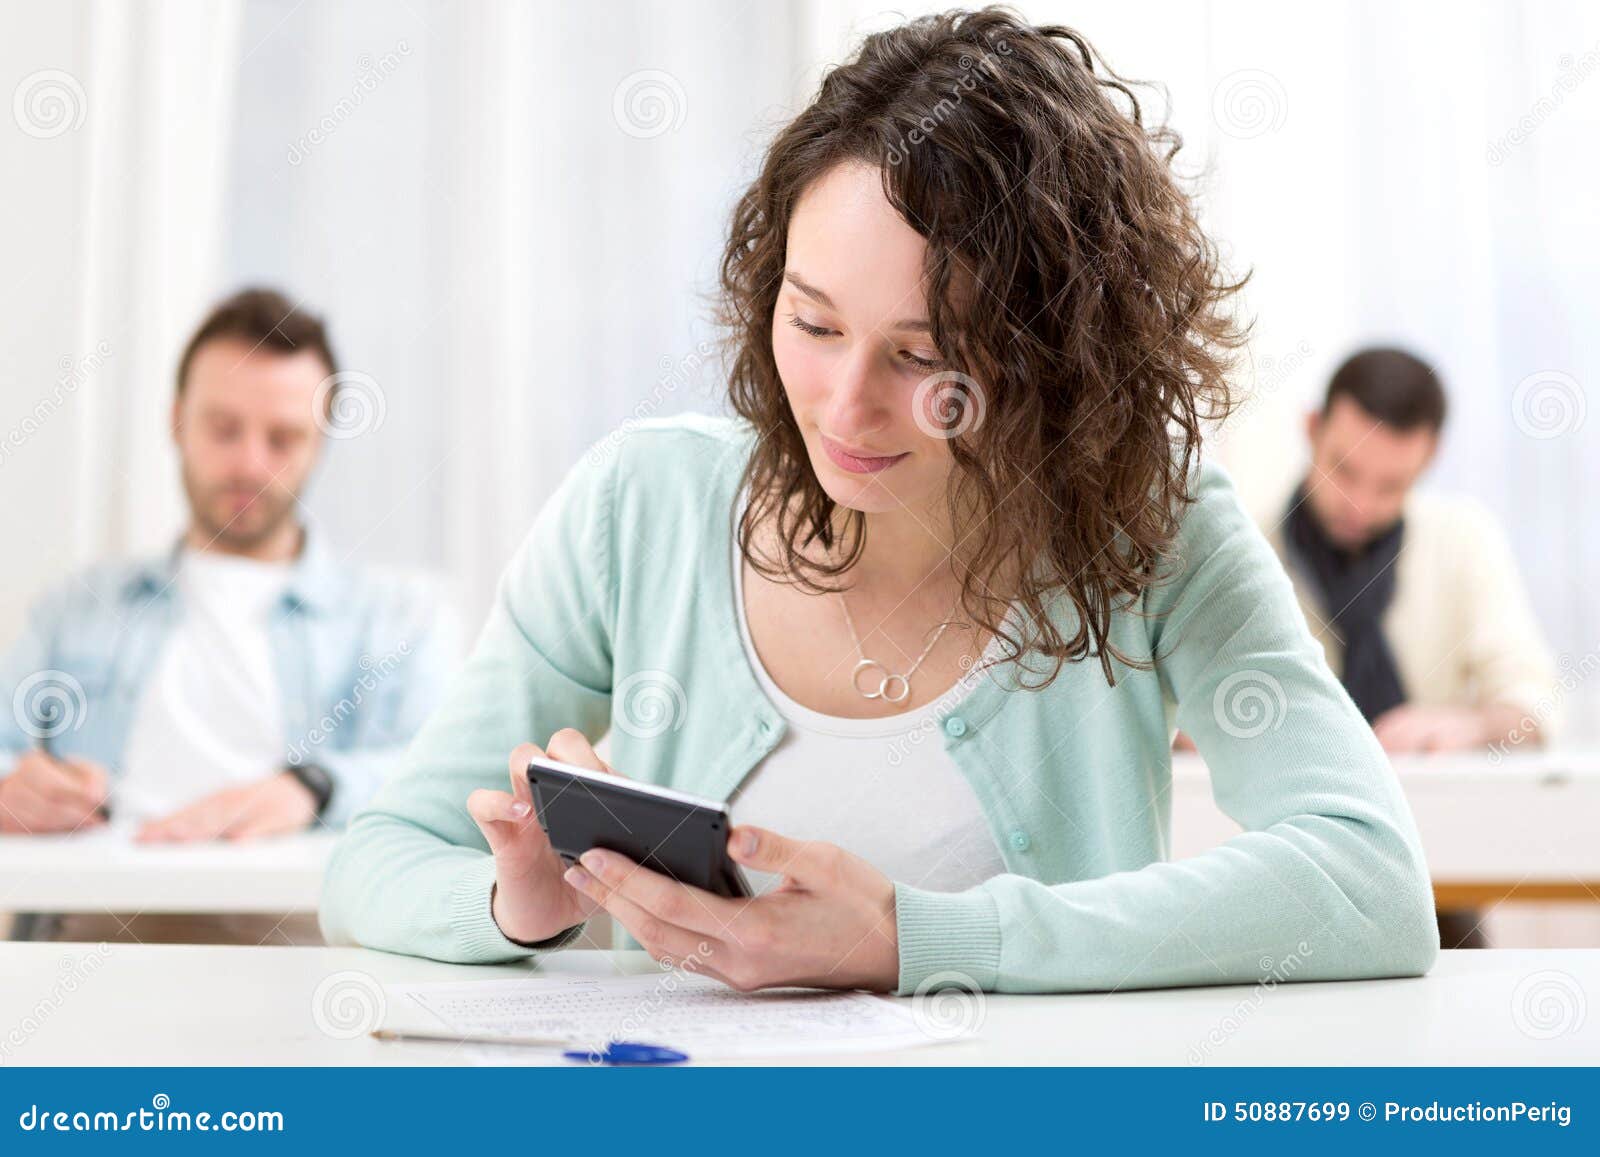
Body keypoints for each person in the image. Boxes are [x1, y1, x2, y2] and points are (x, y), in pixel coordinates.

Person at [321, 8, 1438, 993]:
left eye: (925, 355)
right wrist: (525, 904)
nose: (845, 409)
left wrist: (919, 938)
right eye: (813, 324)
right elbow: (381, 858)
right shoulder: (640, 506)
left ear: (1056, 356)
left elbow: (1367, 877)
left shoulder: (1155, 524)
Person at [0, 289, 455, 942]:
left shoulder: (396, 621)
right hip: (87, 935)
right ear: (177, 420)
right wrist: (9, 791)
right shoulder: (78, 606)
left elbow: (446, 777)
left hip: (304, 950)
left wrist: (313, 787)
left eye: (283, 437)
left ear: (322, 440)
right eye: (223, 428)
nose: (249, 463)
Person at [1264, 347, 1561, 949]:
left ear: (1429, 460)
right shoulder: (1246, 546)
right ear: (1312, 429)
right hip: (1277, 874)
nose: (1360, 505)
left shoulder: (1462, 540)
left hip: (1433, 878)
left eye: (1391, 485)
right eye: (1343, 471)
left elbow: (1536, 704)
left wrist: (1470, 723)